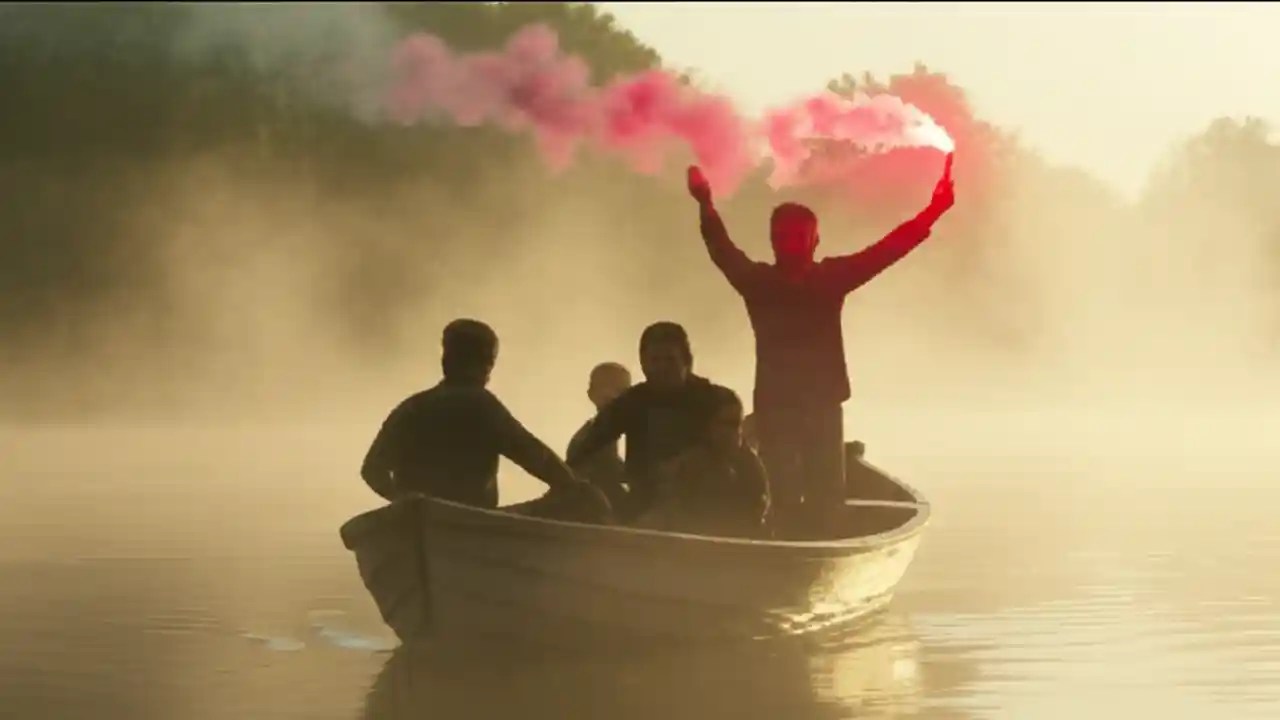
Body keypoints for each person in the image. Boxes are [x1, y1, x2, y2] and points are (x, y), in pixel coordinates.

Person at [686, 155, 955, 534]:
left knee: (826, 496)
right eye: (783, 235)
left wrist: (933, 212)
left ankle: (818, 537)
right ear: (773, 241)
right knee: (782, 491)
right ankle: (786, 541)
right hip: (777, 406)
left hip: (822, 405)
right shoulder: (759, 283)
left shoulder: (830, 278)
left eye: (799, 235)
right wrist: (705, 203)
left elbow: (889, 249)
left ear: (815, 240)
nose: (791, 243)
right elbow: (720, 248)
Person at [360, 319, 608, 522]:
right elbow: (535, 456)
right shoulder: (482, 406)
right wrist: (575, 486)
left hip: (418, 518)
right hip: (472, 519)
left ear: (445, 359)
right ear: (488, 364)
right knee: (582, 499)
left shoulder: (411, 408)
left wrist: (403, 501)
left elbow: (372, 470)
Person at [565, 322, 731, 523]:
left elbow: (732, 457)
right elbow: (584, 451)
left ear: (687, 361)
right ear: (643, 363)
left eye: (670, 360)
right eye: (655, 360)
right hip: (644, 508)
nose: (662, 368)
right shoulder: (631, 403)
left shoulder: (716, 401)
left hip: (708, 510)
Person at [636, 386, 772, 538]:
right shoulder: (683, 466)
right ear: (706, 425)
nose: (734, 432)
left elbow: (757, 516)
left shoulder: (749, 465)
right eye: (726, 424)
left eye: (737, 424)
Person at [566, 362, 633, 514]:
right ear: (592, 393)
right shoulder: (596, 432)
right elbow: (608, 471)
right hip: (590, 504)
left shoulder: (600, 429)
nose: (614, 396)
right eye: (609, 388)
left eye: (622, 391)